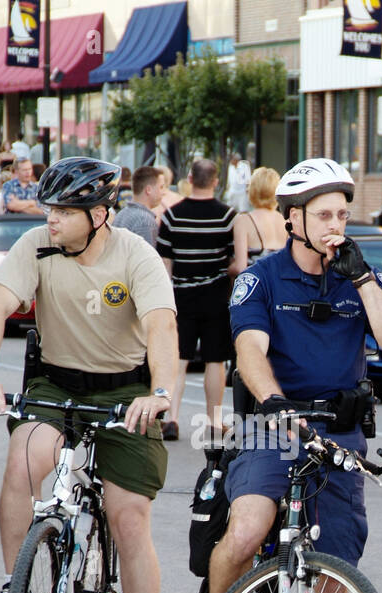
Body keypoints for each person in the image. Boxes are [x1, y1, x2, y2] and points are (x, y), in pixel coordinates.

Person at [208, 157, 382, 593]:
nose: (336, 226)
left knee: (337, 567)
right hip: (271, 423)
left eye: (343, 215)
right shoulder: (262, 278)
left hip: (338, 431)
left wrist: (365, 278)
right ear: (292, 219)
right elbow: (249, 350)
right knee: (247, 529)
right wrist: (273, 402)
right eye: (324, 215)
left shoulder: (357, 273)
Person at [0, 157, 177, 593]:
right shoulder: (36, 245)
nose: (51, 218)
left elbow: (161, 327)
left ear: (101, 214)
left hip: (124, 391)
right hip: (55, 384)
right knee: (24, 459)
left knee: (128, 518)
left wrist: (158, 395)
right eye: (49, 207)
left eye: (64, 210)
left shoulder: (138, 257)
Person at [157, 158, 236, 439]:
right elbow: (233, 259)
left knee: (179, 359)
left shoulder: (172, 216)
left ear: (189, 178)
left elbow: (165, 264)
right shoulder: (227, 216)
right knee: (215, 361)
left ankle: (171, 418)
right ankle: (214, 421)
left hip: (181, 297)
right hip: (216, 297)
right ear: (215, 181)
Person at [228, 167, 287, 276]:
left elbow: (240, 267)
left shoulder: (243, 221)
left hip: (258, 287)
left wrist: (226, 269)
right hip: (281, 286)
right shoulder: (285, 221)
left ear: (252, 190)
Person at [111, 165, 164, 248]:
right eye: (161, 187)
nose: (163, 192)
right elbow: (147, 259)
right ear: (148, 190)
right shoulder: (145, 221)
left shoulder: (121, 214)